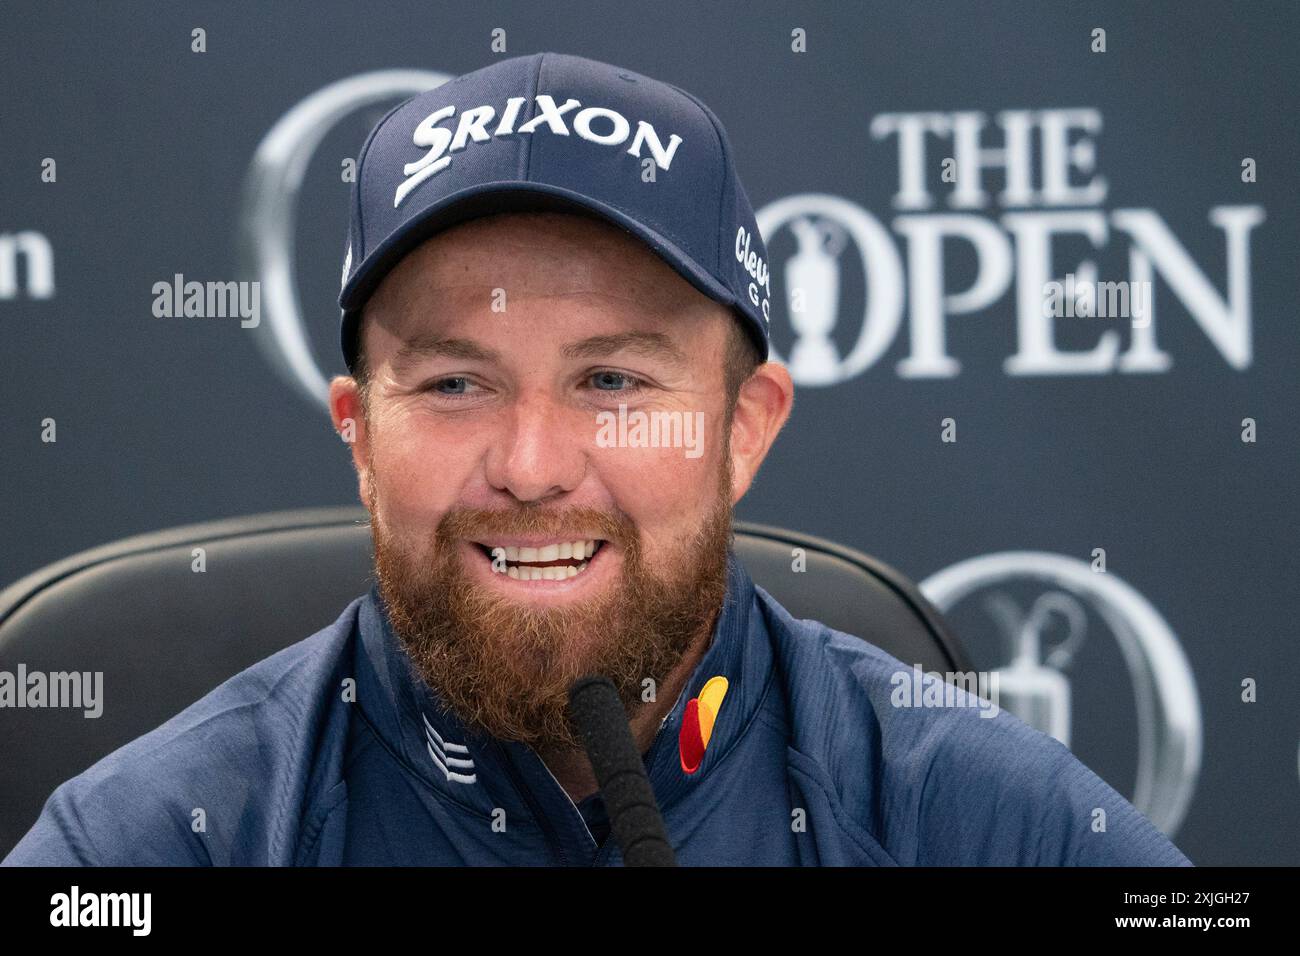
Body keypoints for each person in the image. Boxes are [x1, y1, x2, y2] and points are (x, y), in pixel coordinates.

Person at [3, 52, 1190, 866]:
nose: (529, 464)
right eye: (457, 382)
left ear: (744, 428)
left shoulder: (981, 816)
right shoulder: (151, 840)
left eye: (612, 381)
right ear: (361, 437)